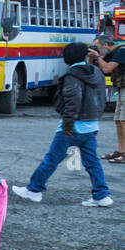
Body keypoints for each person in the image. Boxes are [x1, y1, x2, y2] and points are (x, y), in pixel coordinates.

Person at [13, 41, 112, 206]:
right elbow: (101, 98)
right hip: (92, 124)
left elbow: (73, 102)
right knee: (92, 162)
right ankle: (102, 195)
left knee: (52, 159)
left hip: (73, 126)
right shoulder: (96, 72)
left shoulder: (73, 76)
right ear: (84, 56)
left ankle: (34, 190)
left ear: (67, 59)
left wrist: (67, 125)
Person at [90, 33, 125, 163]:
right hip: (122, 88)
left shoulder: (121, 51)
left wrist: (97, 56)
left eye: (97, 46)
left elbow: (106, 69)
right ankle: (120, 151)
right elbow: (93, 69)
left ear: (105, 45)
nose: (96, 49)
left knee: (123, 121)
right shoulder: (115, 51)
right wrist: (92, 58)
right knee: (118, 121)